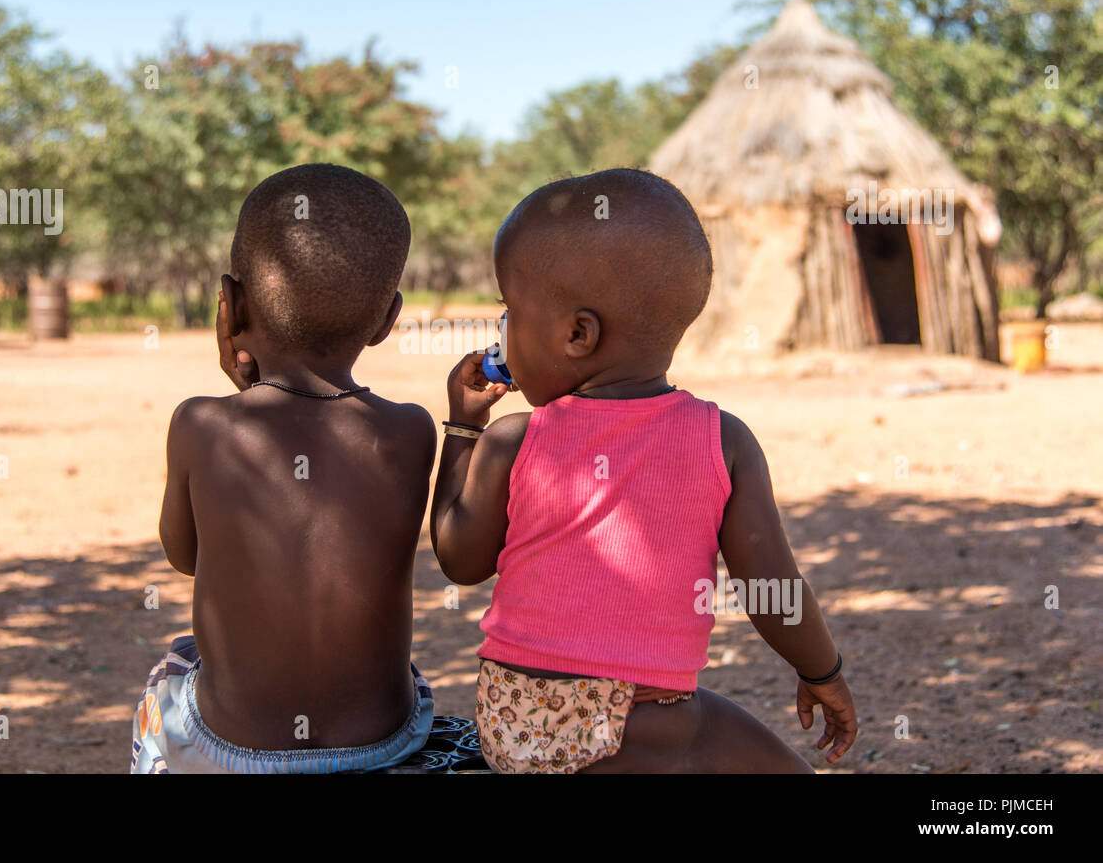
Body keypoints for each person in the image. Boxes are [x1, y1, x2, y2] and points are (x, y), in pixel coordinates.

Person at [430, 168, 858, 773]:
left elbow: (458, 559)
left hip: (517, 725)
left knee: (696, 717)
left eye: (508, 313)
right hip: (645, 723)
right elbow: (773, 588)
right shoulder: (723, 440)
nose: (500, 335)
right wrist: (824, 672)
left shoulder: (512, 441)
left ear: (578, 334)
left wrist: (462, 430)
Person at [132, 164, 436, 773]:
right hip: (383, 737)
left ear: (232, 305)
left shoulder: (201, 424)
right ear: (387, 320)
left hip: (232, 745)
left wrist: (242, 397)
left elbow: (187, 556)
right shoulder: (410, 429)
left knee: (171, 668)